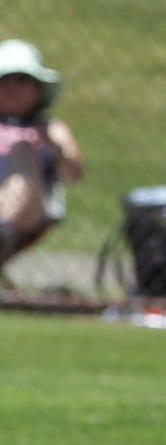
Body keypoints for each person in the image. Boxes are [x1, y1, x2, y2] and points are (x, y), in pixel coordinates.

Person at [0, 39, 84, 272]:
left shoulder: (48, 128)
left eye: (23, 80)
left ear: (38, 88)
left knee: (21, 152)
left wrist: (53, 146)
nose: (13, 88)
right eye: (5, 80)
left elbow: (74, 174)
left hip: (30, 211)